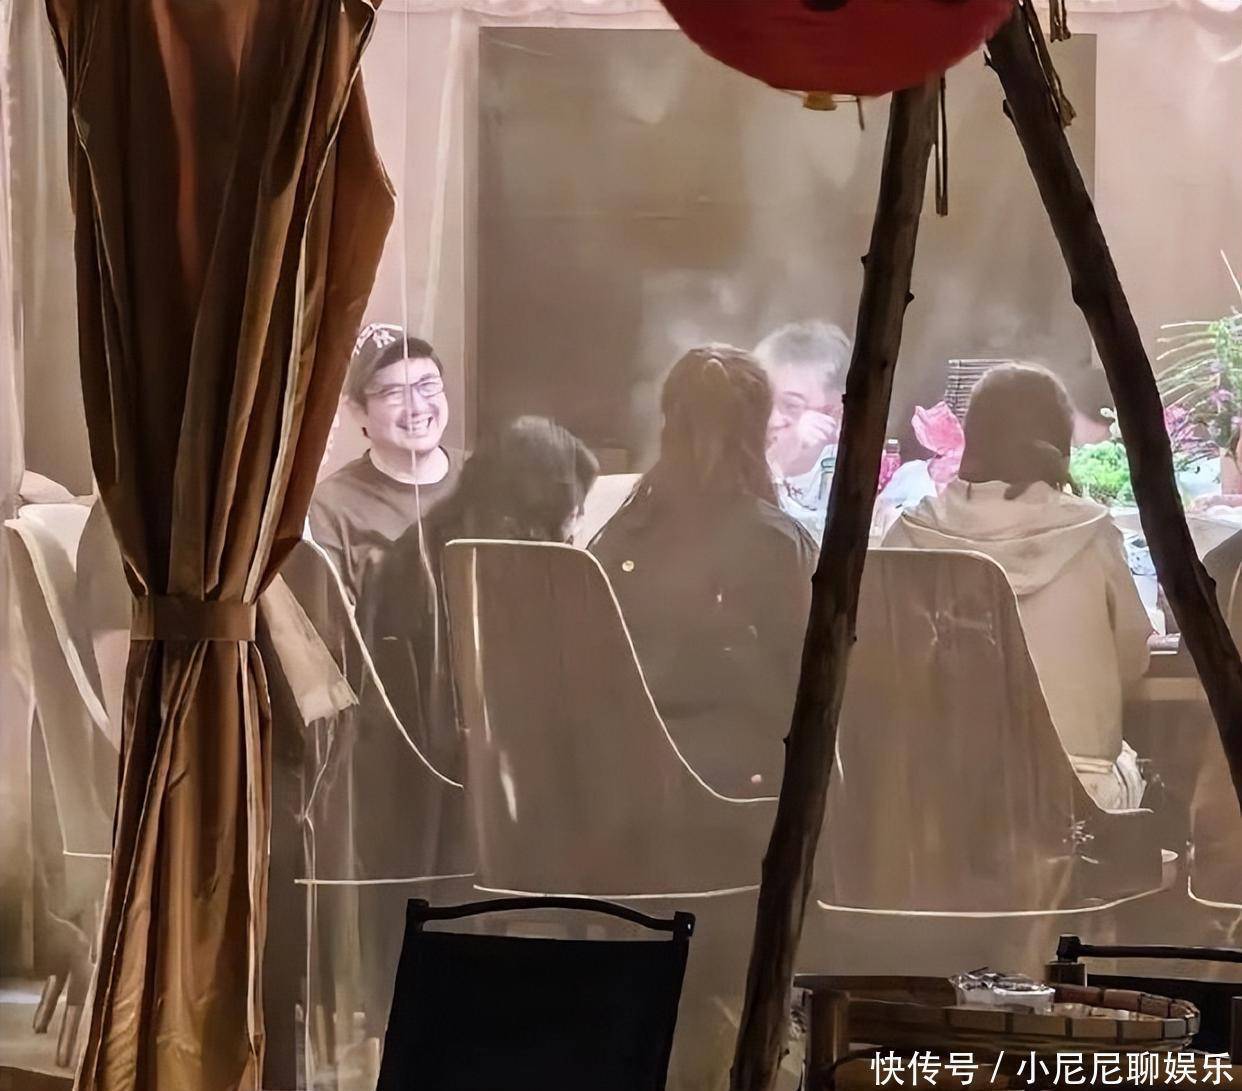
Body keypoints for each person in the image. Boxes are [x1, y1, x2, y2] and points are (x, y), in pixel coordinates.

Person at [884, 363, 1152, 811]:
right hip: (1074, 803)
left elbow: (879, 665)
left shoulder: (909, 533)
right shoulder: (1092, 533)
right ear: (1062, 440)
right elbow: (1133, 659)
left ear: (970, 438)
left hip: (933, 808)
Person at [591, 344, 818, 797]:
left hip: (615, 771)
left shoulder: (622, 529)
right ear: (761, 429)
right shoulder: (776, 540)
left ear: (667, 423)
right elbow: (812, 682)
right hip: (734, 786)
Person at [359, 415, 599, 778]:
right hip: (476, 765)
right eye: (573, 510)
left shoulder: (425, 542)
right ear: (543, 506)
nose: (577, 521)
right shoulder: (505, 560)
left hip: (412, 764)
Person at [309, 323, 460, 601]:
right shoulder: (330, 507)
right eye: (393, 393)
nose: (416, 407)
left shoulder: (485, 476)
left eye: (427, 385)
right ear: (358, 412)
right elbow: (329, 622)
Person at [755, 319, 852, 540]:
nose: (772, 419)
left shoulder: (847, 473)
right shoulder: (737, 455)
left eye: (791, 406)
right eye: (762, 400)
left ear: (836, 413)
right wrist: (776, 466)